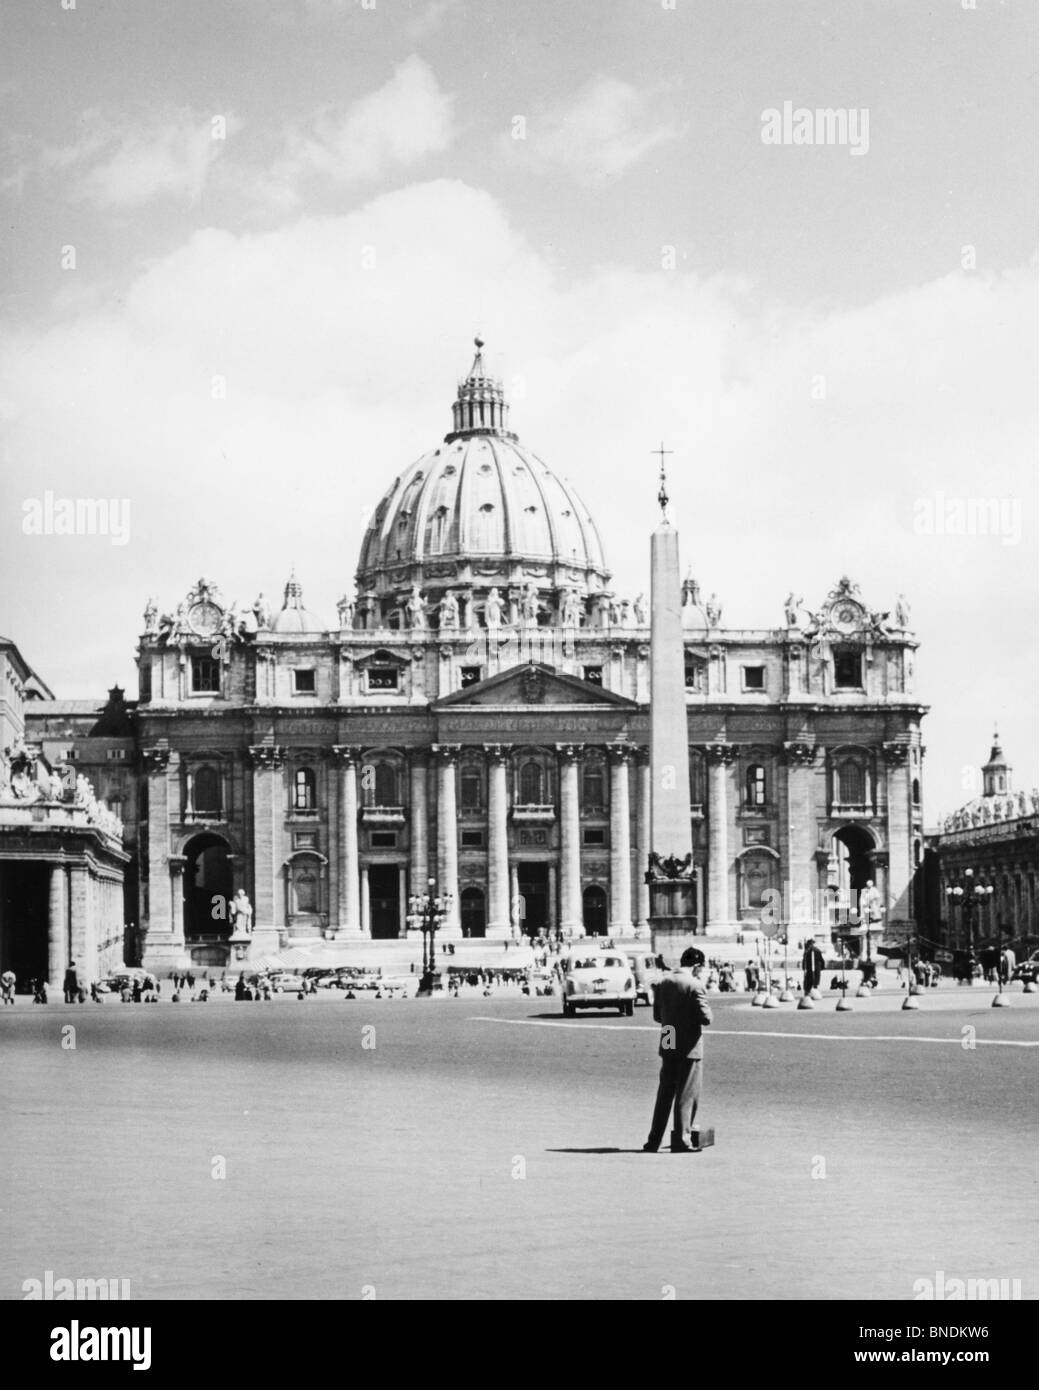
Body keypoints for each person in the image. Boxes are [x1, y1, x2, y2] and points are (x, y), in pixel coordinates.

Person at [644, 947, 713, 1153]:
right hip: (688, 1040)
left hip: (668, 1035)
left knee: (665, 1091)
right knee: (687, 1092)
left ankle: (653, 1141)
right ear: (697, 966)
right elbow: (706, 1018)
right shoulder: (695, 985)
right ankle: (682, 1140)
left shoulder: (664, 981)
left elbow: (657, 1016)